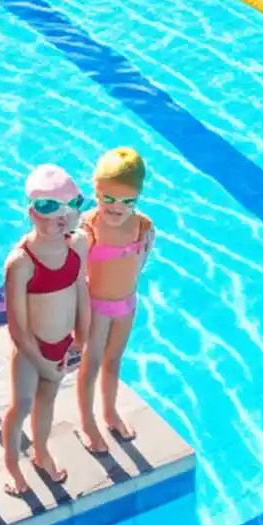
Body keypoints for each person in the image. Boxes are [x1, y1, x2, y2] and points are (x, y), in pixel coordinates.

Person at [1, 164, 91, 496]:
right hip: (30, 351)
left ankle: (41, 452)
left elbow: (82, 289)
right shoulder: (21, 262)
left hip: (61, 345)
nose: (62, 217)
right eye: (50, 208)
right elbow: (17, 327)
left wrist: (82, 338)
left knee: (47, 402)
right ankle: (12, 466)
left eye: (73, 206)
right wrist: (40, 362)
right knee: (21, 405)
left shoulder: (78, 245)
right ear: (32, 213)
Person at [78, 148, 154, 453]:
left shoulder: (143, 226)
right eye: (108, 199)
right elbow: (78, 271)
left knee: (113, 361)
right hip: (96, 307)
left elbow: (142, 259)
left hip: (126, 305)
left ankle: (109, 412)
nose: (116, 208)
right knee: (91, 363)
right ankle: (87, 422)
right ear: (96, 192)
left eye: (127, 202)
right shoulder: (89, 225)